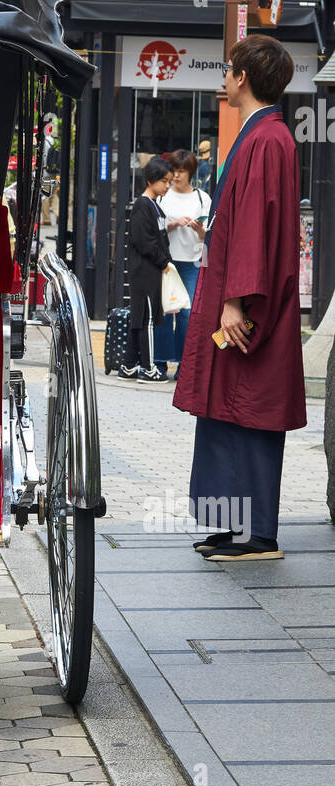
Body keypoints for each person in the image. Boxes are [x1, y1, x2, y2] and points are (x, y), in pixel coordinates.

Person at [174, 36, 305, 561]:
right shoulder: (261, 136)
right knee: (224, 410)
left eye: (228, 70)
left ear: (244, 78)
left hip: (249, 303)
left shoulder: (268, 140)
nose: (223, 78)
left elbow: (256, 226)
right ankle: (231, 527)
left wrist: (237, 301)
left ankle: (258, 534)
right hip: (236, 292)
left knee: (249, 409)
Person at [119, 156, 173, 383]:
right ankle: (148, 368)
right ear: (151, 180)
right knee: (148, 319)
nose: (168, 186)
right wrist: (164, 262)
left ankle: (129, 366)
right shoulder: (144, 205)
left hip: (146, 269)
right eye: (165, 181)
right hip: (146, 270)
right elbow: (145, 241)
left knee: (139, 318)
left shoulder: (151, 205)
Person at [158, 149, 211, 380]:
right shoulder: (162, 196)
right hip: (166, 262)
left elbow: (208, 236)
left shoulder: (202, 198)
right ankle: (159, 364)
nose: (177, 176)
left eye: (181, 171)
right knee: (165, 313)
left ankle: (184, 365)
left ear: (190, 172)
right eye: (174, 171)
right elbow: (154, 229)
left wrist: (200, 231)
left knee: (187, 316)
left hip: (192, 262)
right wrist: (172, 225)